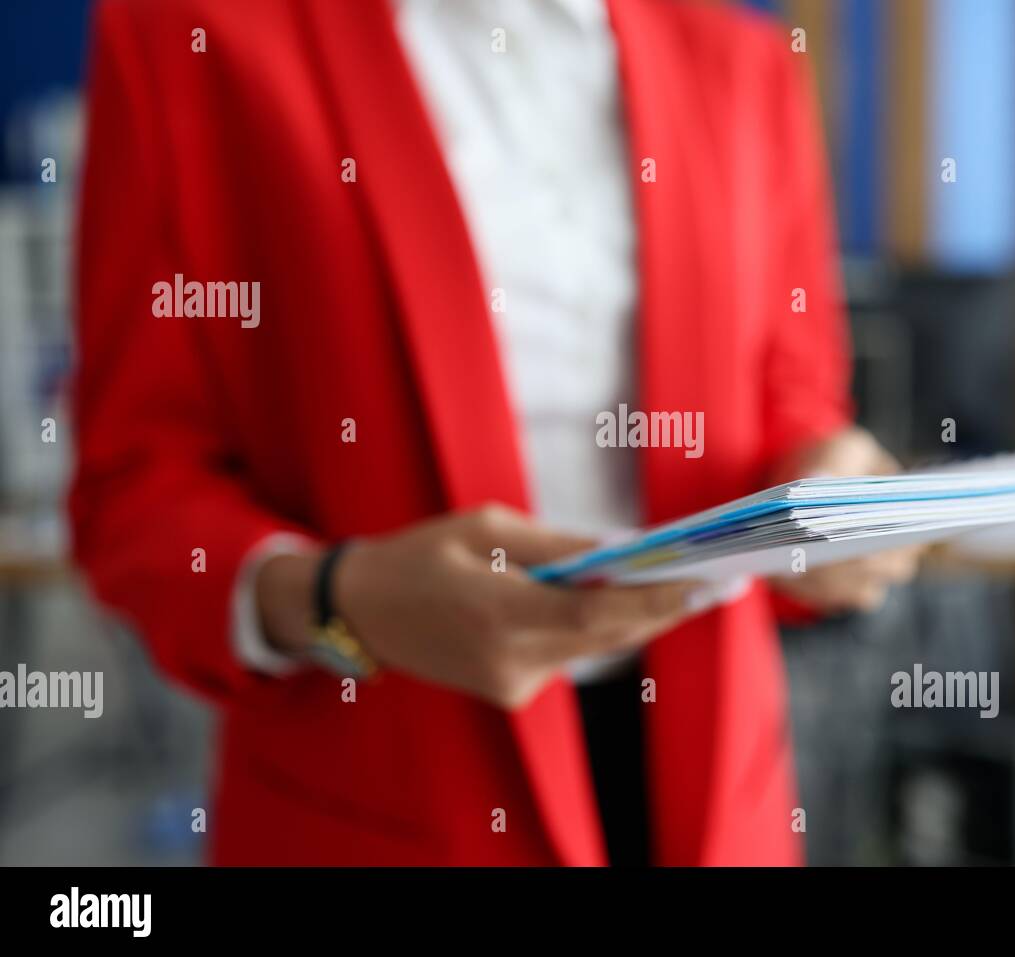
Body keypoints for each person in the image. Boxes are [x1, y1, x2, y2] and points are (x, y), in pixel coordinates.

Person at [71, 0, 919, 866]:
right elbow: (133, 489)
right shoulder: (189, 38)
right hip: (382, 801)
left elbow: (794, 400)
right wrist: (338, 597)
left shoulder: (745, 65)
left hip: (714, 799)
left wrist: (825, 496)